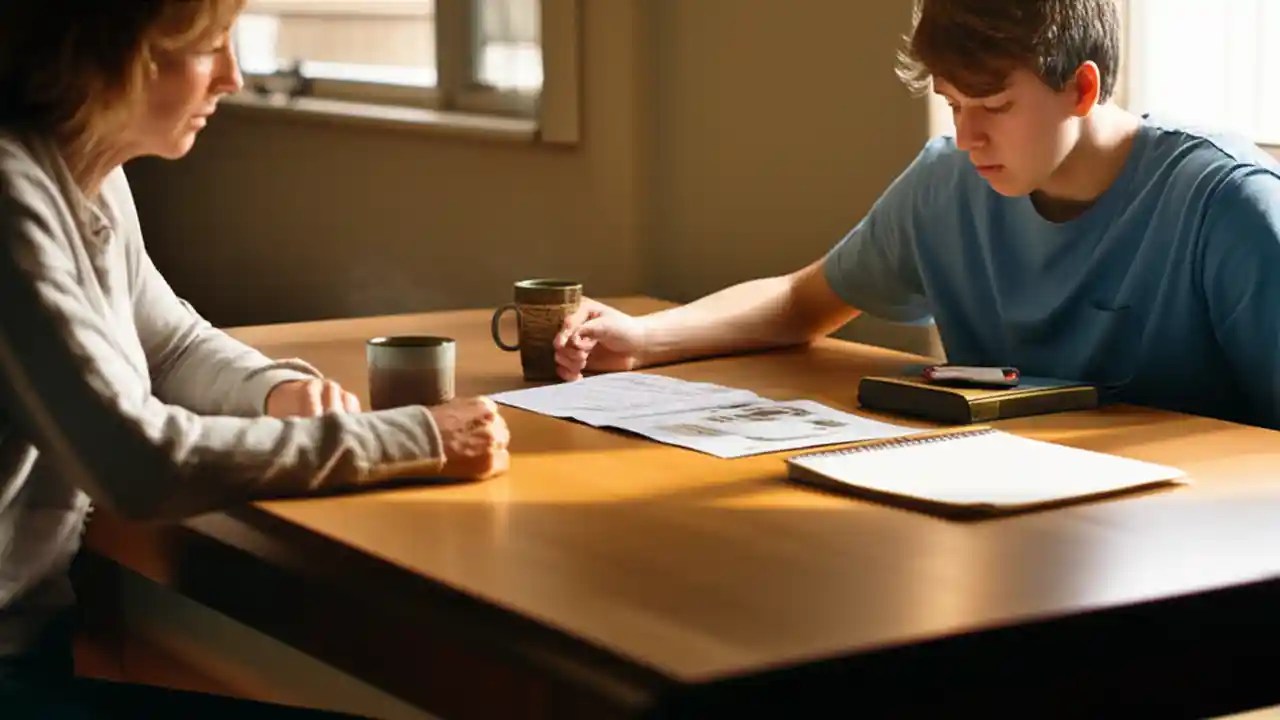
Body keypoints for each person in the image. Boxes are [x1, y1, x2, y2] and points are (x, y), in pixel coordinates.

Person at [0, 0, 509, 715]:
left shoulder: (88, 176)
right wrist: (421, 437)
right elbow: (133, 464)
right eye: (209, 46)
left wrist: (274, 393)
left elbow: (169, 342)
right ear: (103, 56)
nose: (232, 77)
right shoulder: (11, 190)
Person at [555, 0, 1280, 430]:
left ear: (1082, 88)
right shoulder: (949, 182)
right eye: (952, 105)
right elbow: (800, 300)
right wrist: (644, 339)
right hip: (1016, 532)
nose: (967, 138)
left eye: (993, 107)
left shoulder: (1228, 208)